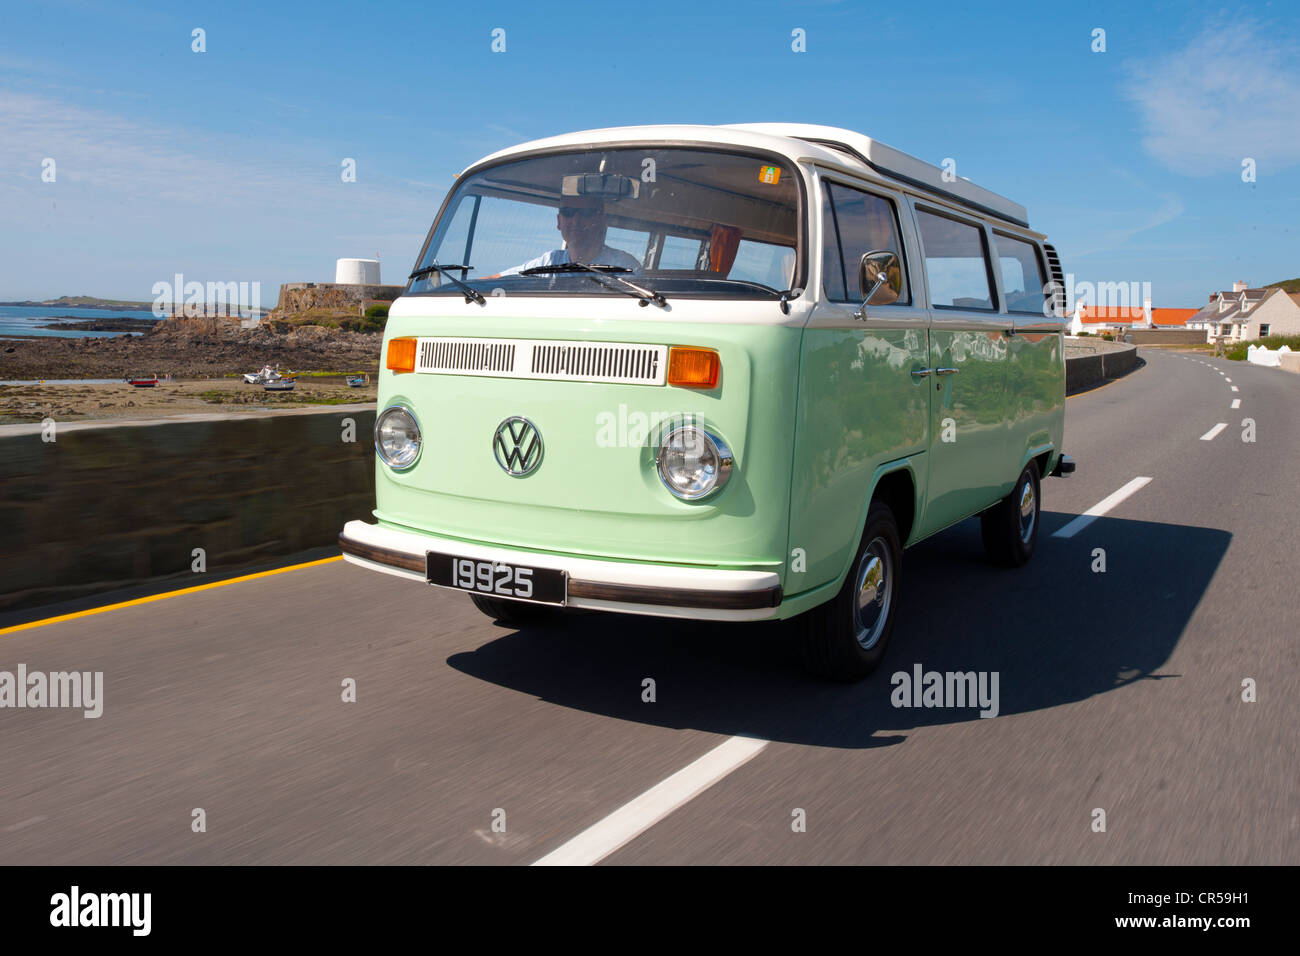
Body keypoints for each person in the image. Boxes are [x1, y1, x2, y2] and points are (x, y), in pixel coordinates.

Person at [499, 196, 641, 276]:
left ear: (601, 221)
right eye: (568, 212)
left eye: (585, 213)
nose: (575, 221)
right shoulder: (550, 262)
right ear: (559, 221)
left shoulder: (625, 266)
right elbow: (498, 279)